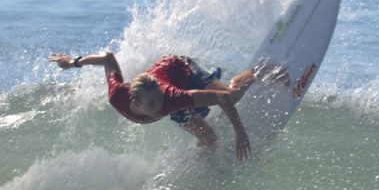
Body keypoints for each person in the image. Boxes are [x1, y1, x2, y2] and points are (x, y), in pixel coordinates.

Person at [49, 51, 257, 161]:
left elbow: (221, 99)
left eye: (159, 100)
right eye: (152, 103)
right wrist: (73, 63)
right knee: (210, 140)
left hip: (179, 67)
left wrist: (241, 132)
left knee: (232, 96)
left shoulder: (169, 98)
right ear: (135, 102)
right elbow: (107, 58)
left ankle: (258, 71)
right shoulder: (117, 95)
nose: (159, 107)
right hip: (165, 79)